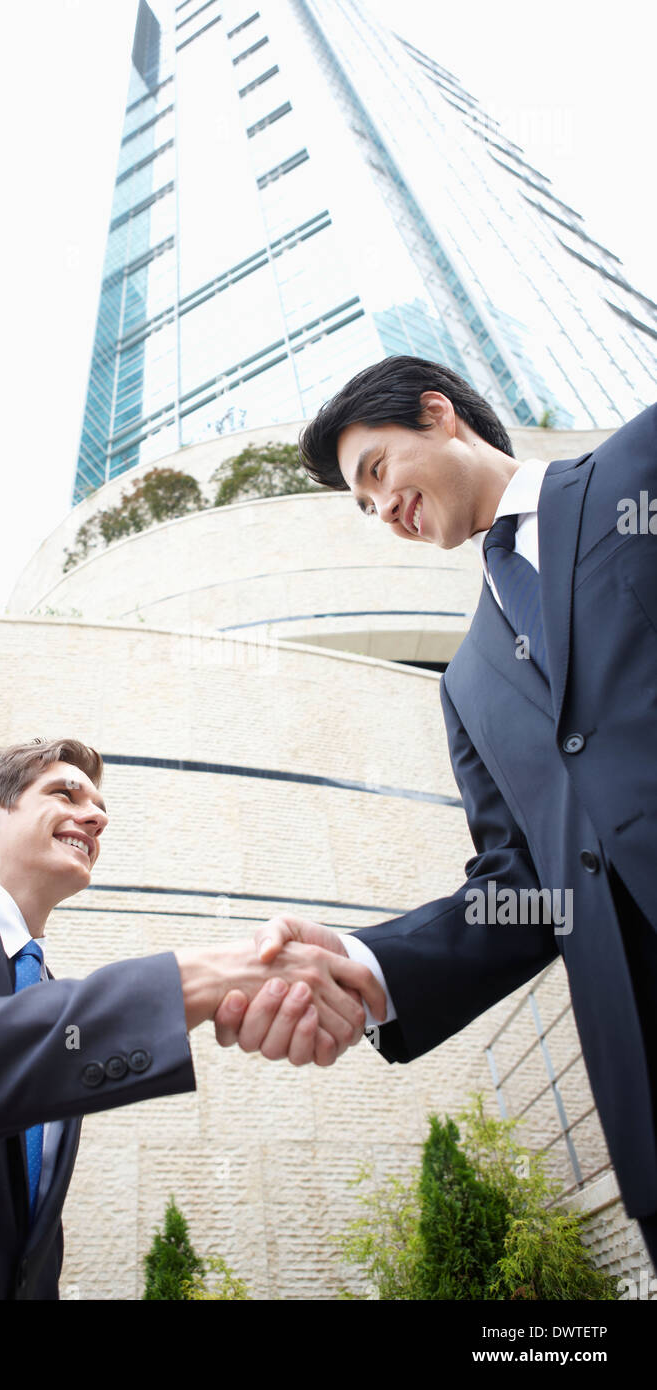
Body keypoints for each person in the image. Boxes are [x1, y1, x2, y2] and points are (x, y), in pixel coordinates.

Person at [218, 356, 657, 1268]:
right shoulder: (466, 685)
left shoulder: (636, 473)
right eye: (366, 505)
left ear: (438, 413)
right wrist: (368, 966)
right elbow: (527, 892)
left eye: (378, 472)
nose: (384, 510)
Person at [0, 736, 380, 1299]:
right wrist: (192, 980)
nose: (97, 819)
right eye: (66, 795)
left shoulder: (48, 1000)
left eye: (99, 808)